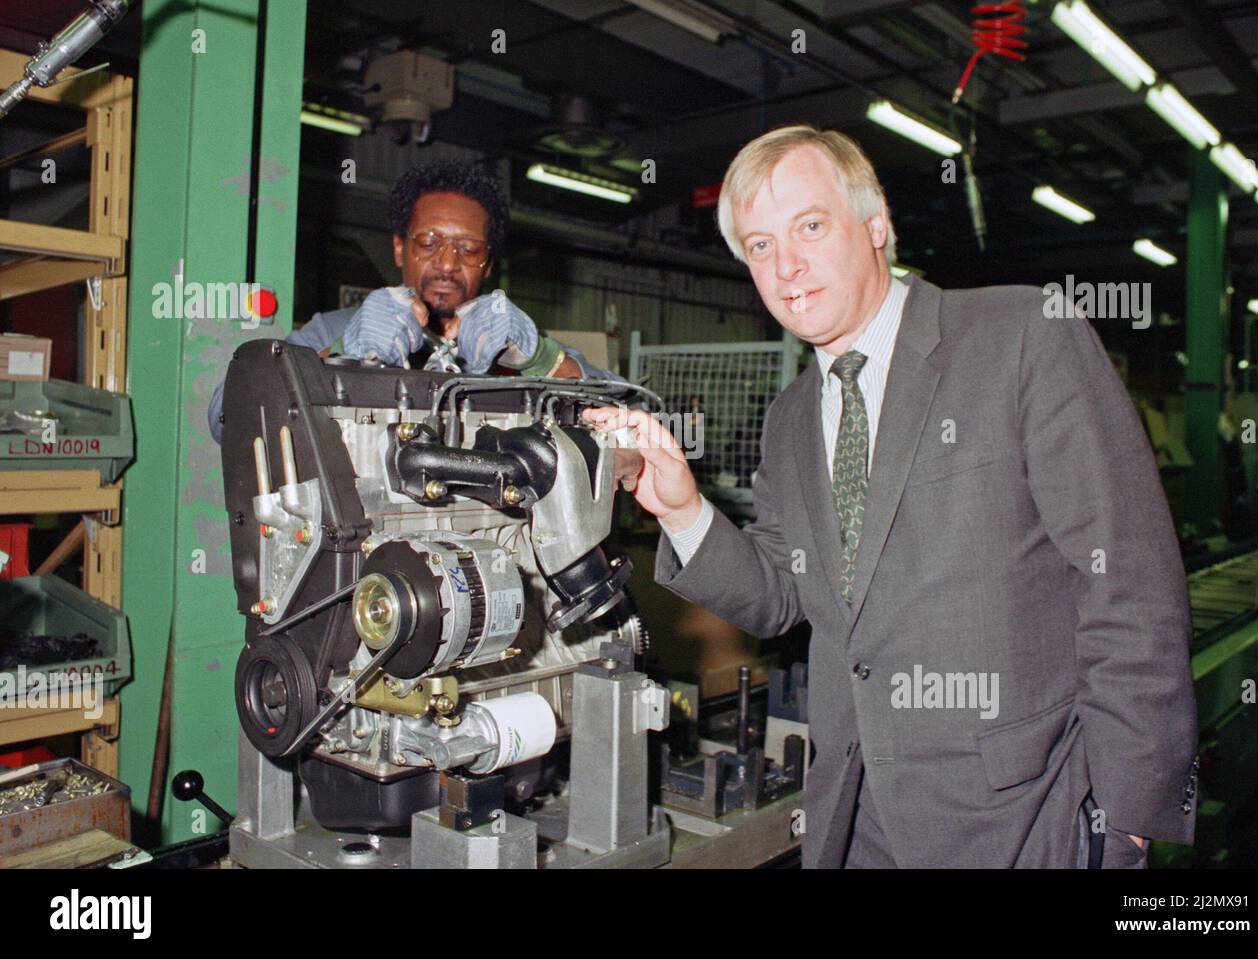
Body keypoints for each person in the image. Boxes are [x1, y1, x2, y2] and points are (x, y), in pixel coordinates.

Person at [583, 125, 1198, 868]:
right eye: (761, 245)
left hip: (1025, 813)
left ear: (877, 225)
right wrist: (680, 507)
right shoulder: (791, 418)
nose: (788, 266)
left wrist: (1128, 819)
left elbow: (1130, 581)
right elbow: (783, 596)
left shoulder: (1021, 335)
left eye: (810, 226)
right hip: (859, 813)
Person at [208, 160, 615, 442]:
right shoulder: (335, 330)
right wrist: (339, 354)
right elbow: (225, 418)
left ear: (487, 264)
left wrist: (544, 360)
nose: (447, 262)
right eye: (429, 242)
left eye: (469, 248)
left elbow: (629, 419)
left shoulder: (514, 345)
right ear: (400, 249)